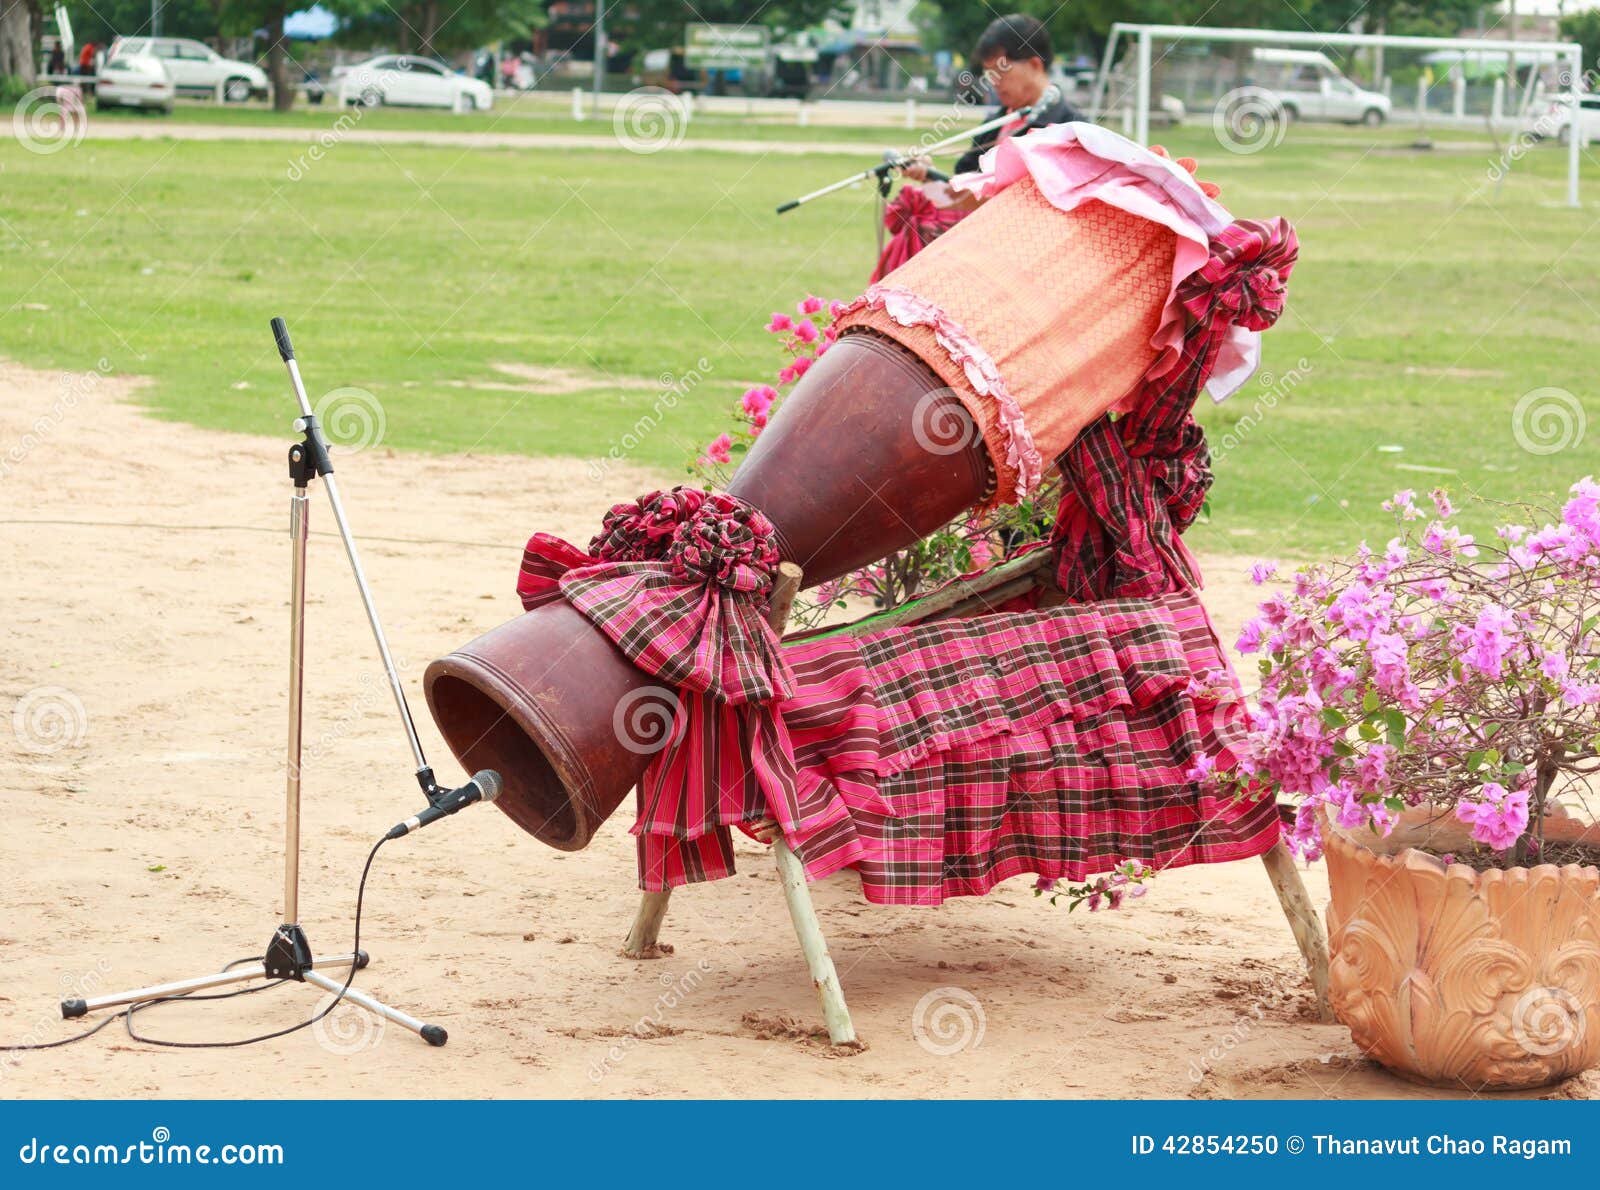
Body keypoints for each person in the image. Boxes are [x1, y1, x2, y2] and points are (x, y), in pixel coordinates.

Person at [902, 15, 1084, 188]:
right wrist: (929, 175)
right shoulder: (992, 126)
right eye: (989, 72)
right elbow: (961, 190)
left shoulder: (1073, 129)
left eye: (1001, 71)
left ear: (1034, 65)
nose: (993, 81)